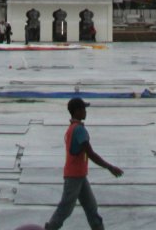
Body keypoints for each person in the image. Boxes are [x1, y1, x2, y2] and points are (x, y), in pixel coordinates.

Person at [44, 97, 123, 230]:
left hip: (79, 176)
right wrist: (109, 167)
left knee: (91, 207)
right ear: (76, 111)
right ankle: (50, 228)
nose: (85, 112)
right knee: (66, 208)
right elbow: (90, 153)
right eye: (83, 109)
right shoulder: (79, 130)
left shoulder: (72, 128)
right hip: (74, 177)